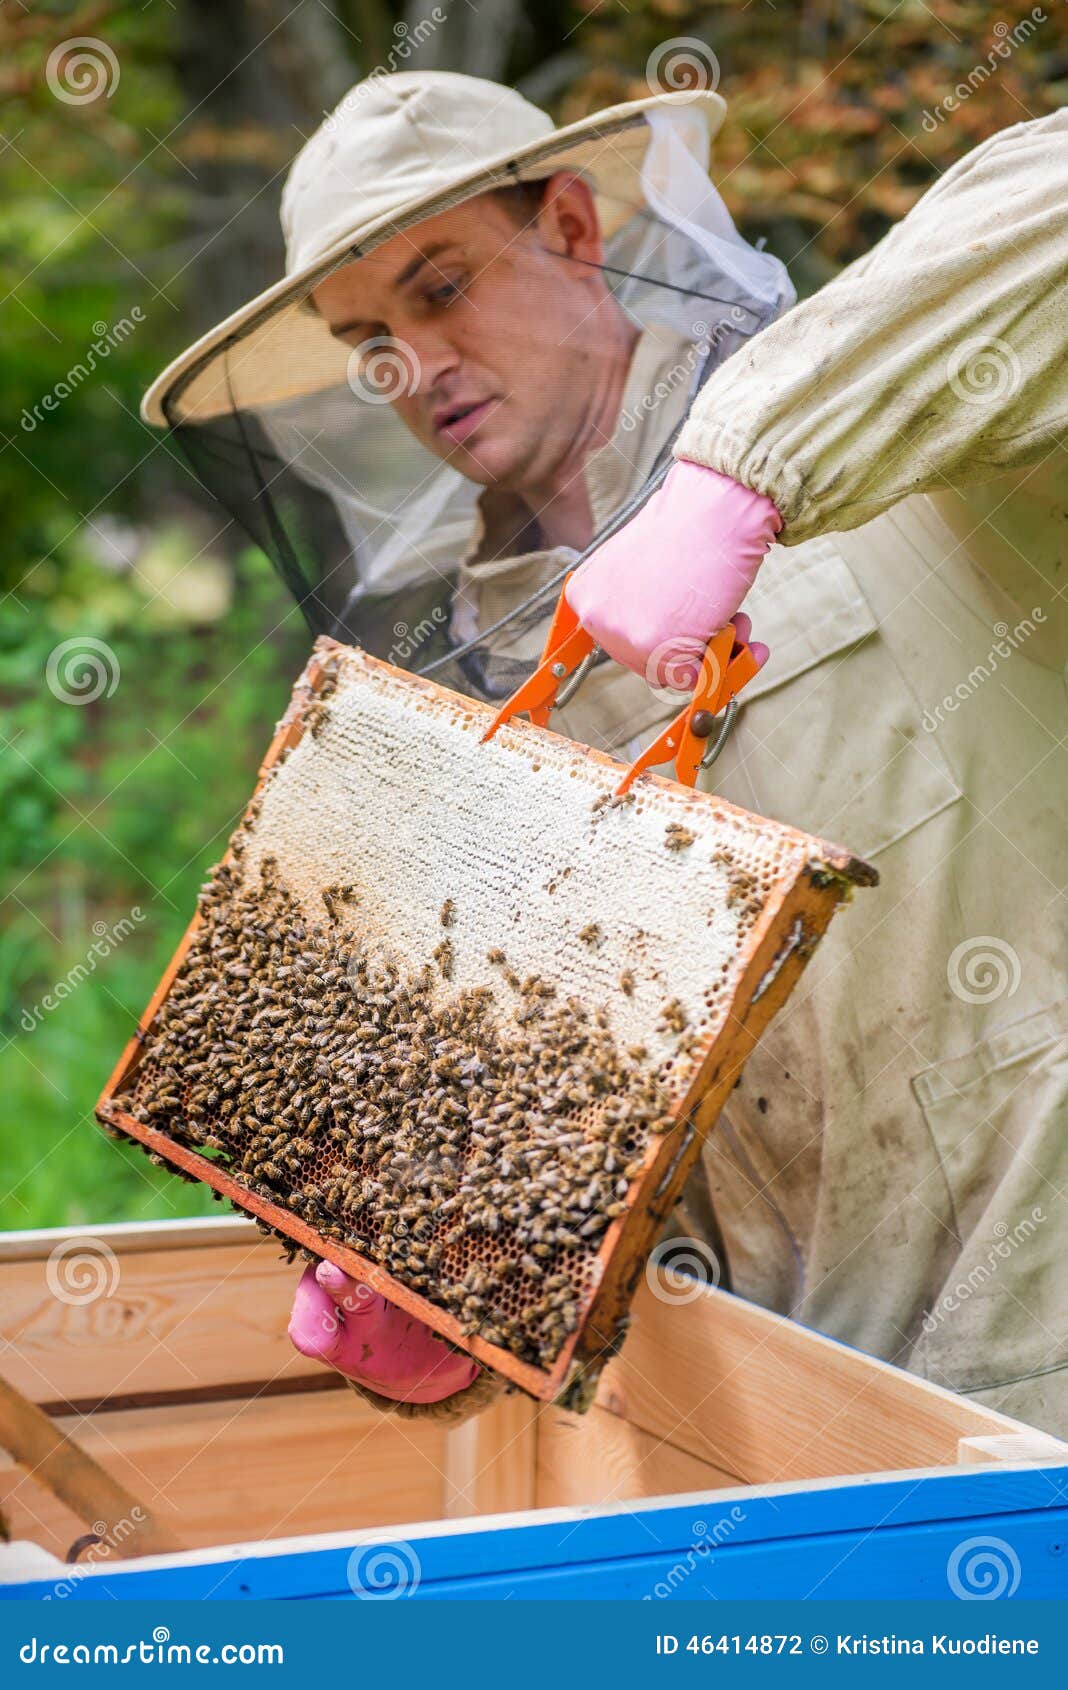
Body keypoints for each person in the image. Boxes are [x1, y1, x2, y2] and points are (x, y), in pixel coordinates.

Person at [143, 72, 1068, 1435]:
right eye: (365, 341)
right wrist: (460, 1293)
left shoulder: (906, 438)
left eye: (441, 286)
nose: (409, 365)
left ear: (574, 226)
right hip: (777, 1434)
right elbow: (604, 1152)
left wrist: (742, 472)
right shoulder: (474, 690)